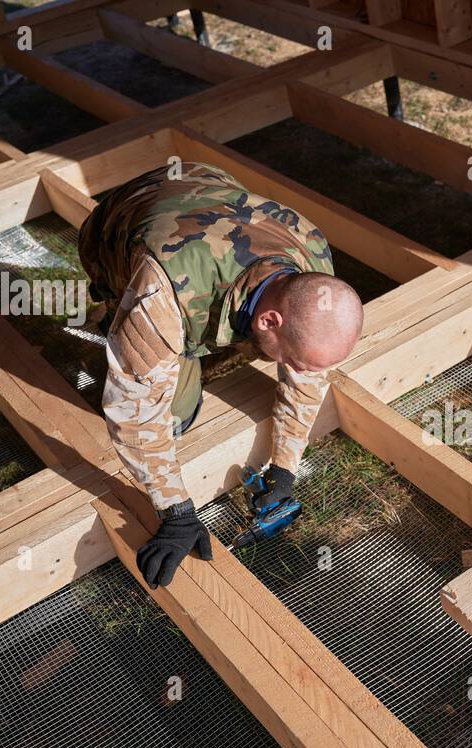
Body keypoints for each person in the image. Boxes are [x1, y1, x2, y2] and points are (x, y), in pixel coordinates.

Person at [79, 162, 363, 588]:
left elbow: (307, 381)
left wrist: (284, 468)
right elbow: (134, 412)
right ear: (269, 320)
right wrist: (175, 511)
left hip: (204, 181)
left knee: (244, 350)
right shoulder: (165, 288)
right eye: (297, 363)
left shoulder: (312, 260)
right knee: (172, 414)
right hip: (116, 229)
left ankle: (170, 341)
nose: (302, 374)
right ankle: (118, 320)